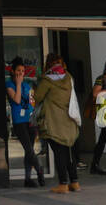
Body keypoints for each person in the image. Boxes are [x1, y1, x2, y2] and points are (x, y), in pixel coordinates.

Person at [33, 56, 80, 192]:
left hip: (53, 122)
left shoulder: (47, 81)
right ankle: (75, 182)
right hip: (69, 121)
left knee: (59, 153)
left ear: (48, 64)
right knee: (68, 152)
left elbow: (38, 97)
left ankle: (63, 184)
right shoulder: (69, 78)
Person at [6, 56, 44, 188]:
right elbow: (16, 100)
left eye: (22, 71)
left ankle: (28, 178)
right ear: (12, 71)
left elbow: (32, 102)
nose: (21, 73)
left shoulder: (27, 85)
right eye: (18, 71)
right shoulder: (10, 85)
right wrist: (17, 84)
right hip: (19, 121)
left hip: (30, 120)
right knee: (28, 148)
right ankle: (39, 170)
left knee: (29, 151)